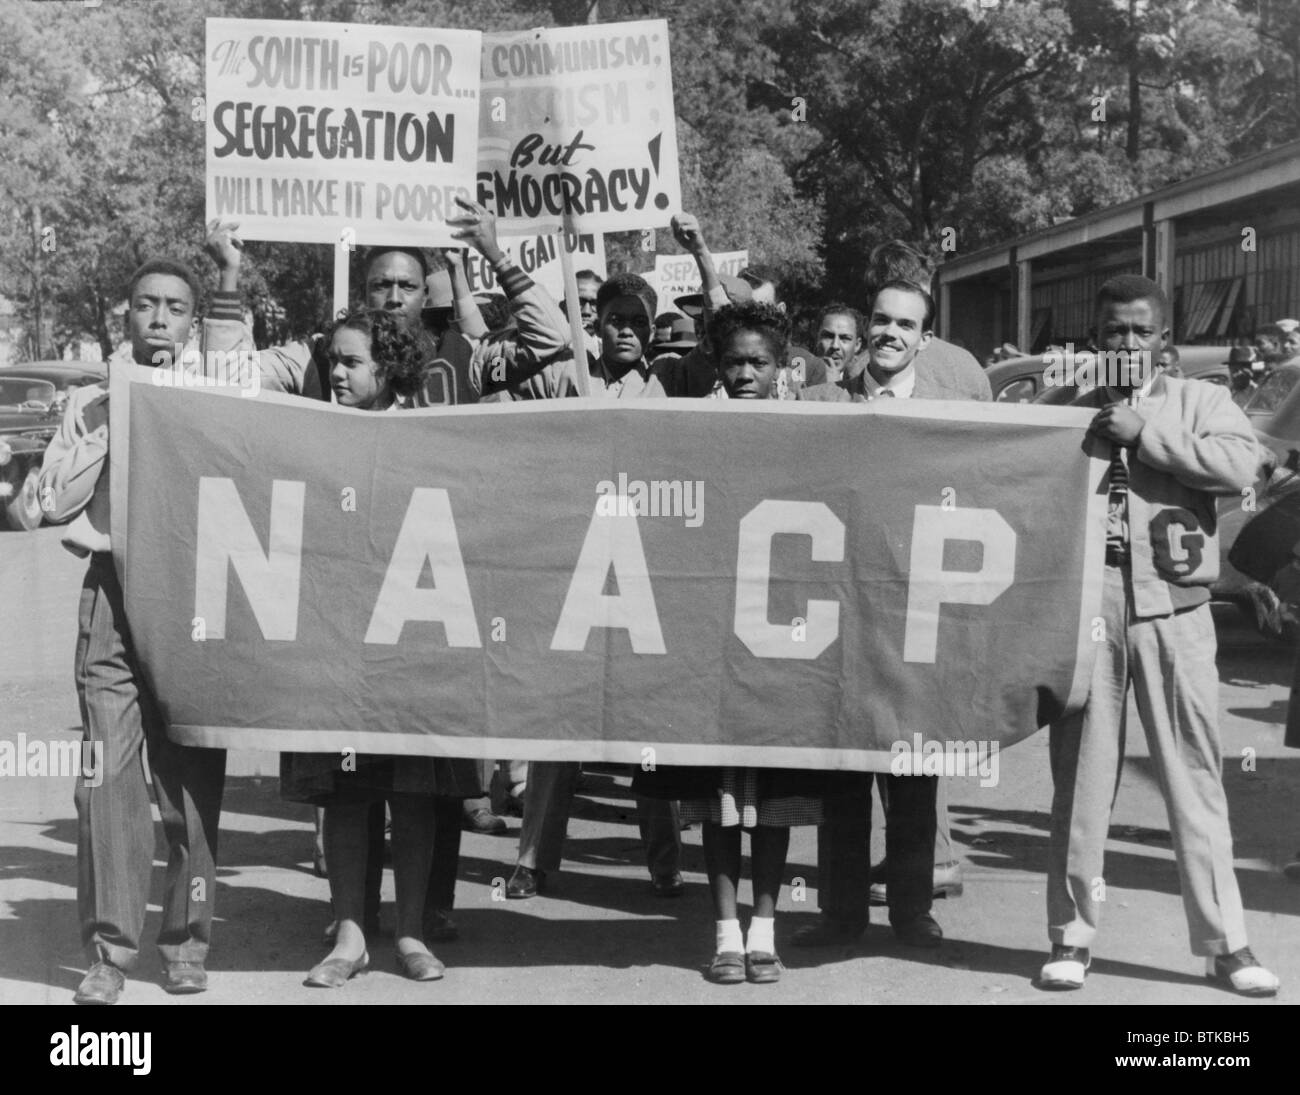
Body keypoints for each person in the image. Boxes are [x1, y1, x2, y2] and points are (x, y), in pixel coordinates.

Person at [1038, 274, 1278, 996]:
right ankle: (1072, 935)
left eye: (1142, 331)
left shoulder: (1201, 401)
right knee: (1081, 781)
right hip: (1089, 607)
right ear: (1095, 338)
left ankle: (1226, 942)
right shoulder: (1067, 409)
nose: (1128, 343)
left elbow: (1245, 466)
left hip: (1176, 608)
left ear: (1165, 342)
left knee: (1195, 778)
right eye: (1115, 330)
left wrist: (1149, 435)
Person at [39, 222, 252, 1005]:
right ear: (124, 318)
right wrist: (107, 416)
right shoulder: (91, 400)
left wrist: (227, 278)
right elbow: (52, 500)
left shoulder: (212, 386)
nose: (159, 318)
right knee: (107, 777)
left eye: (174, 307)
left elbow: (242, 386)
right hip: (113, 589)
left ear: (193, 322)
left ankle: (188, 941)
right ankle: (110, 950)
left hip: (194, 591)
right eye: (145, 306)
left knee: (190, 773)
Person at [280, 308, 482, 987]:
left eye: (351, 361)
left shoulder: (425, 432)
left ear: (387, 369)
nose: (335, 371)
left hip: (415, 633)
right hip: (336, 636)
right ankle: (350, 936)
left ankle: (413, 930)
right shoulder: (311, 431)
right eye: (331, 359)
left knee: (415, 793)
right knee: (343, 793)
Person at [635, 301, 830, 984]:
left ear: (784, 368)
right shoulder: (695, 429)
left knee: (773, 797)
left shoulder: (808, 432)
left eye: (759, 362)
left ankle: (766, 927)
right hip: (715, 632)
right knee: (716, 796)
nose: (746, 372)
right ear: (717, 366)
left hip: (782, 634)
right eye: (734, 362)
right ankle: (723, 930)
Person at [793, 279, 990, 949]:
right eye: (880, 319)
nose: (889, 333)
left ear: (924, 338)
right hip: (836, 608)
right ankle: (840, 913)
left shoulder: (953, 413)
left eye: (906, 324)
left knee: (911, 774)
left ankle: (912, 910)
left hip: (914, 613)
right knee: (841, 773)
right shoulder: (817, 402)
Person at [478, 270, 685, 898]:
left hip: (643, 582)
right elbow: (495, 391)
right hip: (571, 576)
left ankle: (666, 862)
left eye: (640, 322)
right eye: (616, 318)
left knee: (650, 734)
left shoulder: (671, 392)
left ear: (653, 333)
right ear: (598, 322)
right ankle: (534, 858)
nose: (627, 329)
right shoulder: (569, 376)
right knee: (555, 728)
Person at [812, 303, 863, 384]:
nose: (835, 345)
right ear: (816, 337)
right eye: (828, 336)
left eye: (844, 338)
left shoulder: (865, 386)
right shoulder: (796, 377)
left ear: (857, 345)